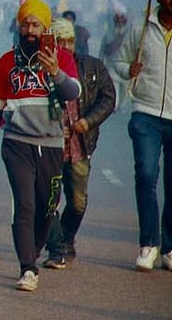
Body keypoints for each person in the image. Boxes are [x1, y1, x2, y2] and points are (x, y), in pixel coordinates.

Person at [0, 0, 81, 292]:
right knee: (24, 205)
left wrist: (55, 72)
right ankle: (27, 268)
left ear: (46, 28)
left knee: (47, 208)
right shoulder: (7, 61)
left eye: (36, 24)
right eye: (25, 24)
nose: (30, 30)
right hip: (16, 143)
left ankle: (32, 250)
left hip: (51, 144)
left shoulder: (62, 58)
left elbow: (73, 92)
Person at [43, 17, 116, 269]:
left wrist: (88, 121)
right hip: (49, 146)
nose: (65, 46)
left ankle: (66, 237)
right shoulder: (40, 69)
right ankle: (57, 247)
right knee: (48, 201)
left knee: (77, 202)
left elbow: (108, 98)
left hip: (79, 145)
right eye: (60, 41)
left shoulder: (92, 66)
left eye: (69, 41)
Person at [112, 0, 172, 272]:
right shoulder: (141, 29)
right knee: (147, 176)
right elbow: (118, 62)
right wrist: (129, 70)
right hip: (145, 113)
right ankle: (148, 244)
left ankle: (169, 248)